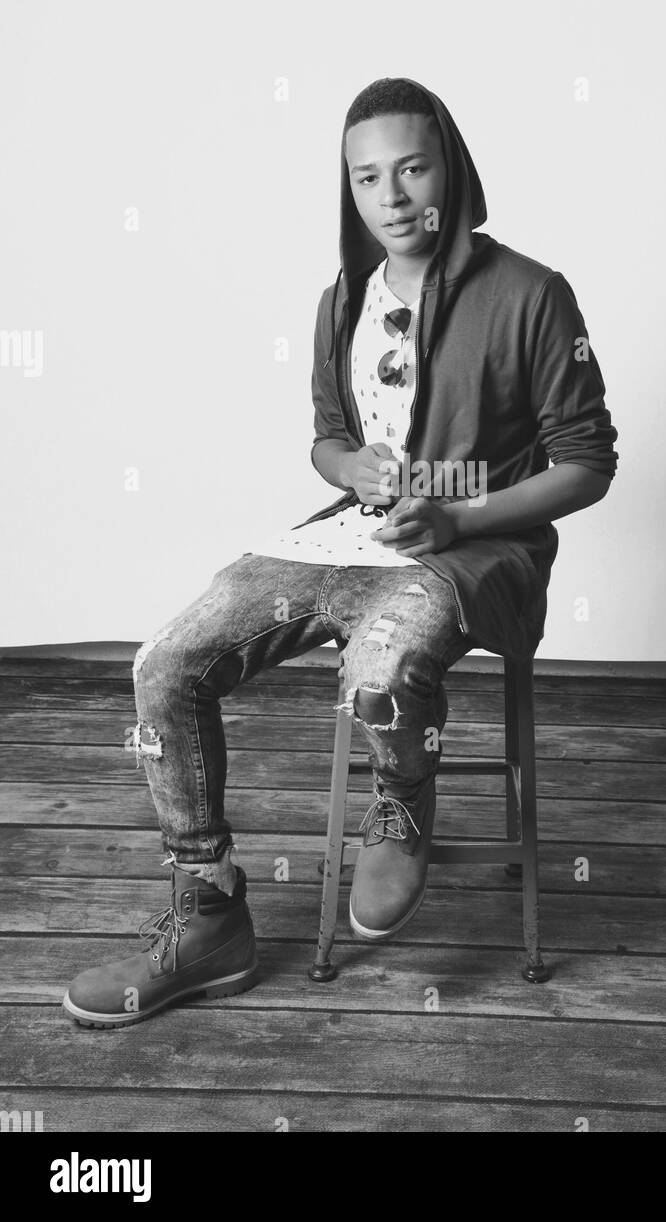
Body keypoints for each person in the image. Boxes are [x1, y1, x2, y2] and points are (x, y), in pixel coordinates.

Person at [62, 77, 619, 1027]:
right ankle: (207, 915)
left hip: (467, 551)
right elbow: (325, 441)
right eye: (368, 177)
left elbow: (589, 464)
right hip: (344, 538)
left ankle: (402, 796)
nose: (393, 196)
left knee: (382, 668)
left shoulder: (532, 295)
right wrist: (350, 462)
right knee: (164, 664)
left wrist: (458, 515)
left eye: (411, 167)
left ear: (452, 167)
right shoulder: (341, 301)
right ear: (349, 191)